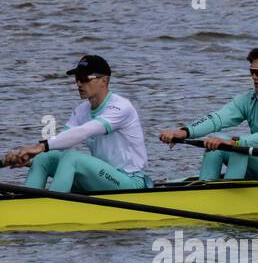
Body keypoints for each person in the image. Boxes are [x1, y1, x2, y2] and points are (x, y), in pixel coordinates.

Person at [158, 46, 258, 180]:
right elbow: (218, 118)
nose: (254, 77)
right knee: (218, 147)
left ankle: (227, 196)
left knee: (236, 146)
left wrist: (236, 142)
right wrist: (184, 132)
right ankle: (206, 186)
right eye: (252, 72)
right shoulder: (249, 99)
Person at [2, 54, 150, 193]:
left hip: (130, 183)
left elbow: (84, 131)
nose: (79, 83)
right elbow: (62, 142)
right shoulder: (82, 110)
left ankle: (50, 208)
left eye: (85, 78)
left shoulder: (120, 107)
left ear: (104, 80)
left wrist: (41, 146)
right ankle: (28, 204)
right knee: (44, 158)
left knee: (72, 158)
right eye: (77, 78)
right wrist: (29, 158)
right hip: (102, 178)